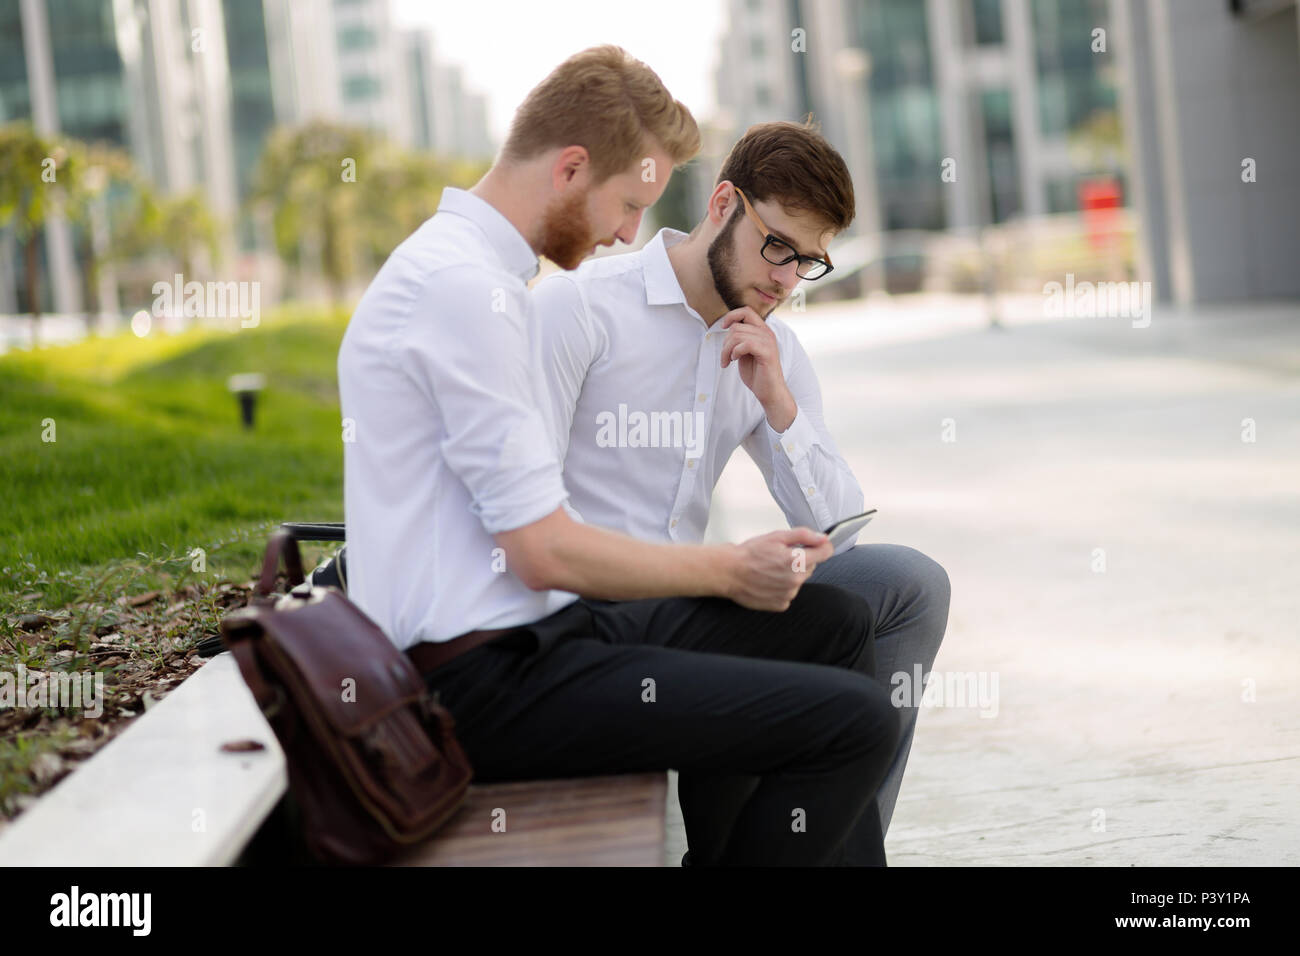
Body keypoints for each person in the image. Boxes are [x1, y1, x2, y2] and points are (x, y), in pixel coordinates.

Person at [337, 47, 899, 866]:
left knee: (837, 622)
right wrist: (729, 571)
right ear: (571, 168)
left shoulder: (463, 274)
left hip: (536, 635)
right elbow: (542, 552)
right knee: (857, 726)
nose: (630, 233)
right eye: (631, 202)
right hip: (482, 675)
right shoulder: (470, 292)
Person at [532, 120, 951, 859]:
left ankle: (825, 844)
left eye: (808, 262)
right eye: (778, 245)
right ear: (724, 202)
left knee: (908, 583)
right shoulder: (585, 308)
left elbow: (838, 530)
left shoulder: (772, 345)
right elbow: (516, 505)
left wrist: (779, 407)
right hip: (586, 606)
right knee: (810, 633)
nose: (787, 278)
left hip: (690, 601)